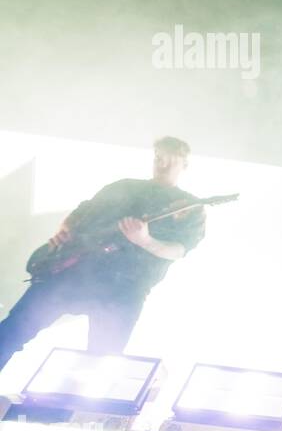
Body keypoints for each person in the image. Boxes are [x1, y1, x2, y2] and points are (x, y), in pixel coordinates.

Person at [0, 136, 206, 372]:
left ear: (185, 165)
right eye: (159, 158)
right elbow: (80, 214)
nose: (163, 165)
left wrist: (145, 240)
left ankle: (72, 408)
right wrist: (64, 233)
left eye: (172, 160)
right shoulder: (123, 187)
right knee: (13, 330)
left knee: (99, 362)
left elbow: (179, 250)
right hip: (72, 272)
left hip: (124, 290)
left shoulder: (190, 207)